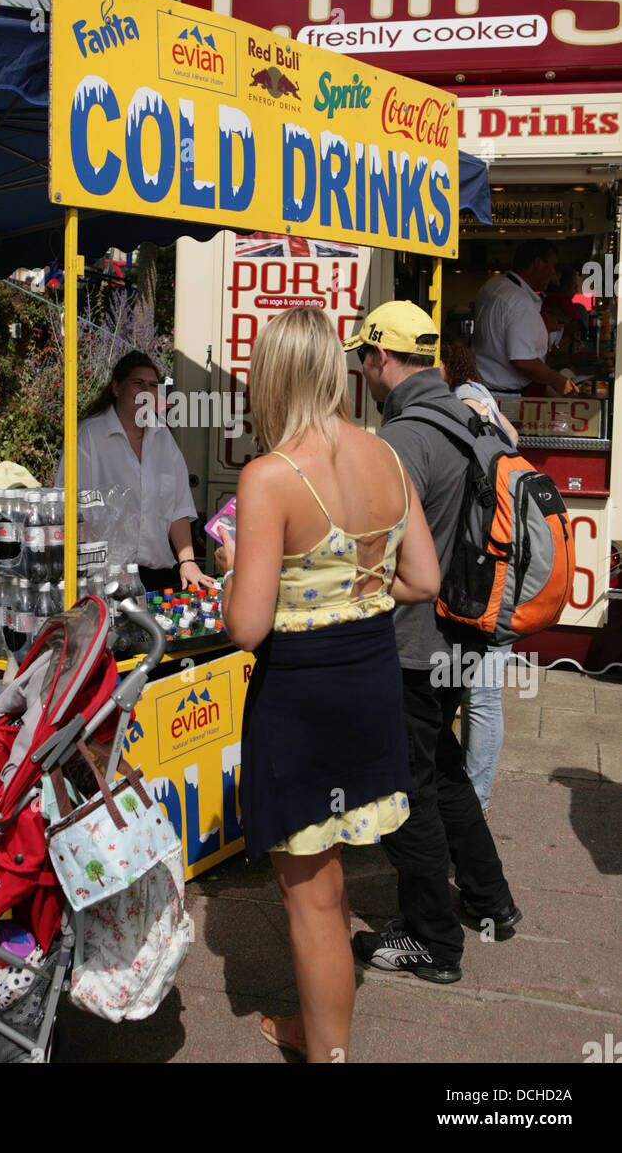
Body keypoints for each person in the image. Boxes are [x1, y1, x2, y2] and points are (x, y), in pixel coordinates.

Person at [214, 307, 439, 1063]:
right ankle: (321, 1027)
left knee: (309, 899)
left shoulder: (269, 475)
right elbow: (424, 578)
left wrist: (229, 582)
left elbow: (245, 628)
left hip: (303, 695)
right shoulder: (385, 455)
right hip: (371, 680)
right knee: (333, 882)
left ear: (272, 377)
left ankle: (330, 1058)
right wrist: (355, 593)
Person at [347, 301, 521, 986]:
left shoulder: (402, 441)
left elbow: (385, 554)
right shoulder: (468, 416)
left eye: (365, 358)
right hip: (461, 635)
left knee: (406, 788)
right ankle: (490, 899)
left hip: (412, 642)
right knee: (443, 771)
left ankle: (433, 941)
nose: (363, 371)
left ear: (381, 358)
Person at [56, 350, 215, 593]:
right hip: (101, 576)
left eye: (152, 386)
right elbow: (70, 508)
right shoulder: (87, 436)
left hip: (157, 574)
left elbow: (179, 508)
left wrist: (188, 561)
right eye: (137, 383)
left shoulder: (164, 439)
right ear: (116, 388)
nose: (146, 391)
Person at [439, 335, 514, 814]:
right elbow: (516, 443)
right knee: (481, 693)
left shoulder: (465, 402)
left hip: (482, 568)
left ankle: (473, 804)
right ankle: (470, 801)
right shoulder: (483, 397)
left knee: (481, 696)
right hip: (502, 563)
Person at [473, 238, 578, 398]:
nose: (553, 274)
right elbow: (523, 361)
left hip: (482, 390)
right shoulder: (519, 300)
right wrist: (559, 381)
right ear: (537, 263)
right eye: (552, 266)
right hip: (505, 397)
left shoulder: (493, 284)